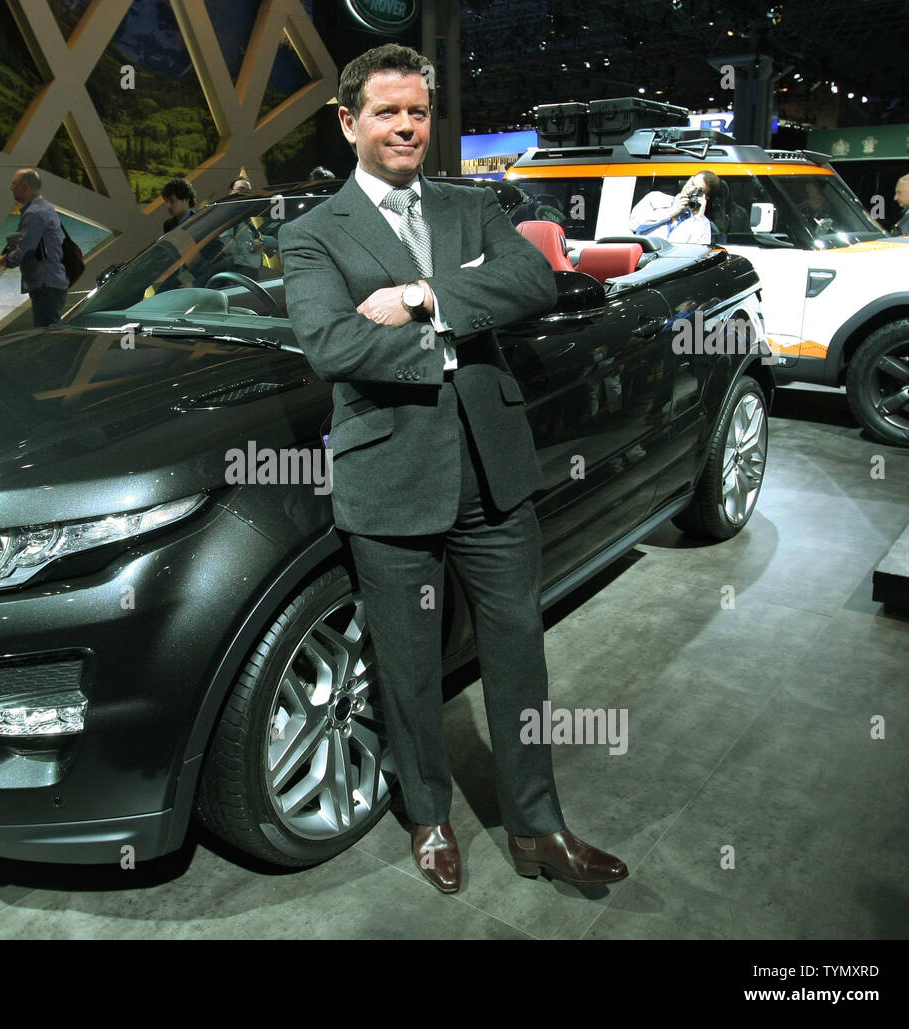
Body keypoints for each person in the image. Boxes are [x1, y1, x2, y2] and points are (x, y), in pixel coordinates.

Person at [279, 43, 628, 895]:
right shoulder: (311, 233)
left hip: (493, 470)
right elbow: (332, 343)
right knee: (406, 664)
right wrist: (458, 316)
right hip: (390, 475)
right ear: (348, 121)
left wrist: (424, 295)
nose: (406, 126)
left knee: (520, 654)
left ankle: (538, 825)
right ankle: (429, 815)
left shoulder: (474, 206)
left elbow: (532, 284)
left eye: (420, 112)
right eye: (388, 111)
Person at [0, 168, 68, 327]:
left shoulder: (35, 213)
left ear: (25, 187)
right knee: (50, 333)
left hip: (45, 285)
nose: (11, 187)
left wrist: (3, 261)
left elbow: (25, 251)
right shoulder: (44, 208)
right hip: (50, 283)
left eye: (14, 184)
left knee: (47, 338)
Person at [629, 170, 723, 244]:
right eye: (692, 184)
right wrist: (670, 212)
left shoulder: (702, 222)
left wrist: (698, 218)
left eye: (698, 190)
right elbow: (634, 224)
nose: (690, 190)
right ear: (690, 179)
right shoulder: (655, 198)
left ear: (705, 197)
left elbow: (698, 253)